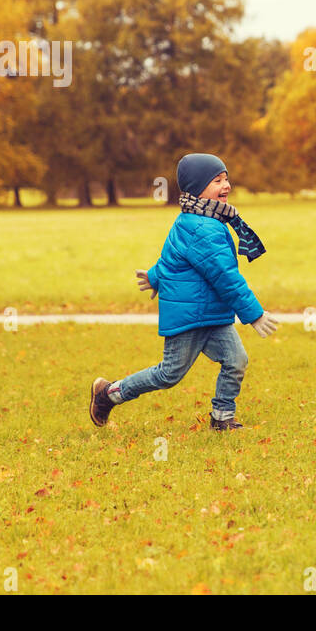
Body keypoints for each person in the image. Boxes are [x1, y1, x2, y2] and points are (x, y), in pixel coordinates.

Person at [89, 153, 278, 431]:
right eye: (217, 180)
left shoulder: (197, 218)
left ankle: (222, 418)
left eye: (226, 179)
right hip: (189, 315)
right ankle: (108, 394)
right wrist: (254, 314)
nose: (226, 186)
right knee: (169, 374)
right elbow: (225, 277)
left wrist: (154, 276)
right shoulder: (202, 228)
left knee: (236, 360)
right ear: (196, 188)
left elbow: (172, 257)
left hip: (211, 315)